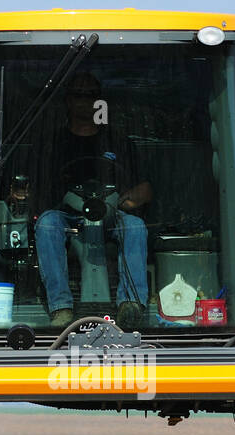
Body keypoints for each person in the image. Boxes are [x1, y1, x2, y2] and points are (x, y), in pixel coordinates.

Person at [30, 72, 153, 329]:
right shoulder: (53, 143)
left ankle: (130, 305)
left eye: (91, 95)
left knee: (134, 226)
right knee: (47, 224)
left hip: (112, 214)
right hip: (68, 216)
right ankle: (61, 307)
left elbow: (145, 187)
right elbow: (40, 189)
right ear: (68, 100)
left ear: (100, 101)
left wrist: (133, 198)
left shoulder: (118, 141)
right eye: (78, 95)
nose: (84, 101)